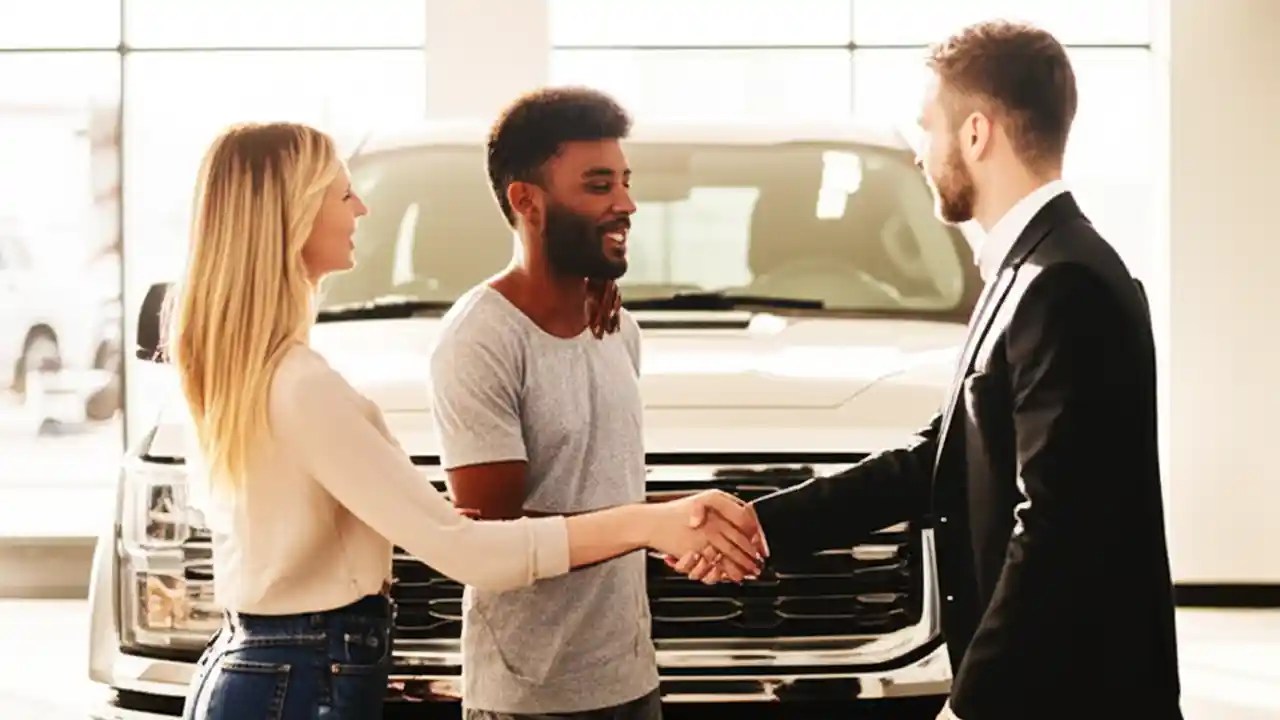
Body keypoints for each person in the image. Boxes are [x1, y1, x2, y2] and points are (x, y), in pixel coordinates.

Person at [671, 20, 1181, 720]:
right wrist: (762, 526)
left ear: (975, 134)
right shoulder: (1034, 269)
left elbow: (1056, 529)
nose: (920, 154)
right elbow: (937, 460)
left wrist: (972, 703)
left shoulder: (1062, 283)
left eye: (926, 127)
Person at [168, 121, 763, 720]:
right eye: (343, 194)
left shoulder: (260, 372)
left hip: (270, 668)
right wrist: (646, 523)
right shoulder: (302, 385)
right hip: (298, 682)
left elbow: (297, 520)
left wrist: (420, 515)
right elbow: (473, 557)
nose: (361, 209)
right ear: (292, 214)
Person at [428, 86, 695, 720]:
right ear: (528, 201)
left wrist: (685, 522)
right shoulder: (480, 339)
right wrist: (654, 523)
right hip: (530, 698)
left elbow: (604, 493)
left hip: (631, 680)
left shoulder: (615, 326)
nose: (626, 204)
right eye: (598, 186)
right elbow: (493, 539)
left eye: (625, 182)